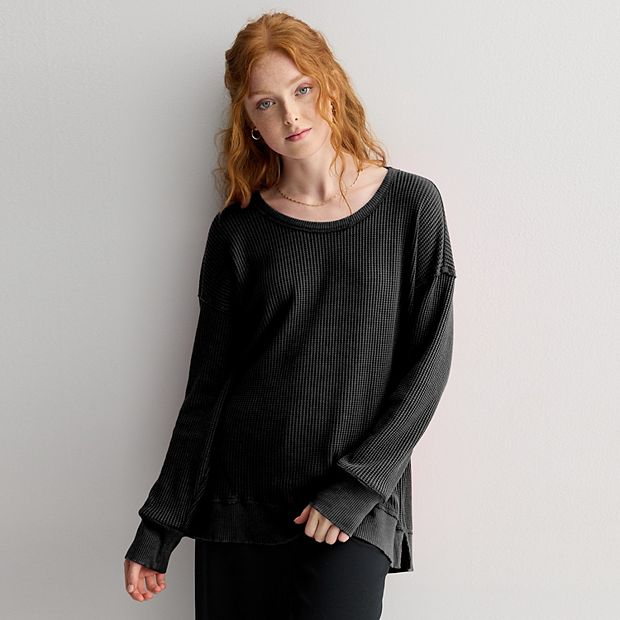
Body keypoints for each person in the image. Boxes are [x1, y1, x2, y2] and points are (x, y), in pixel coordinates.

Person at [123, 10, 457, 620]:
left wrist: (359, 485)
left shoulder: (412, 206)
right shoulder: (238, 232)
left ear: (330, 84)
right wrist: (160, 524)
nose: (291, 115)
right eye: (266, 104)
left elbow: (427, 365)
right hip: (237, 505)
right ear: (248, 122)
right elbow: (208, 390)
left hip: (350, 508)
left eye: (301, 89)